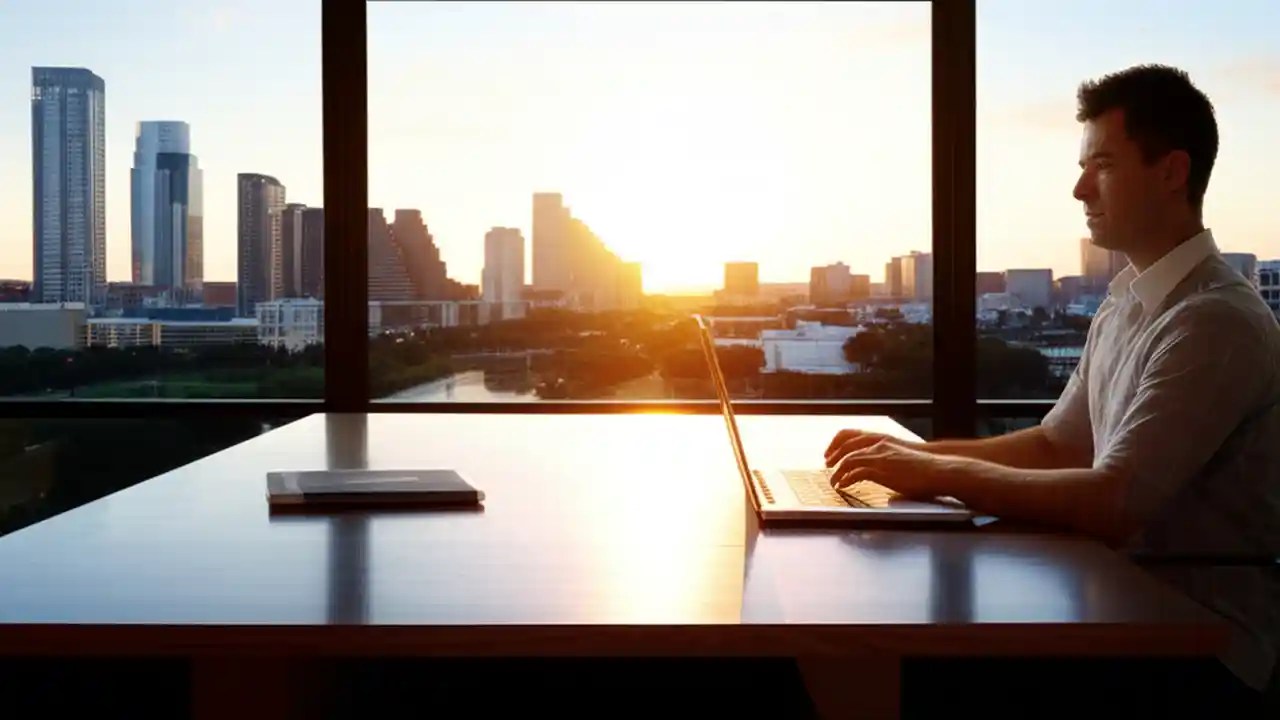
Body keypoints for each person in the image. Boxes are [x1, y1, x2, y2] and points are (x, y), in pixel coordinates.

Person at [825, 64, 1278, 713]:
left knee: (917, 669)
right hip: (1119, 605)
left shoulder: (1215, 320)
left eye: (1103, 165)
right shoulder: (1126, 300)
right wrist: (907, 460)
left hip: (1200, 645)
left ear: (1172, 172)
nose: (1078, 188)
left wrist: (929, 472)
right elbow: (1056, 445)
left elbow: (1113, 500)